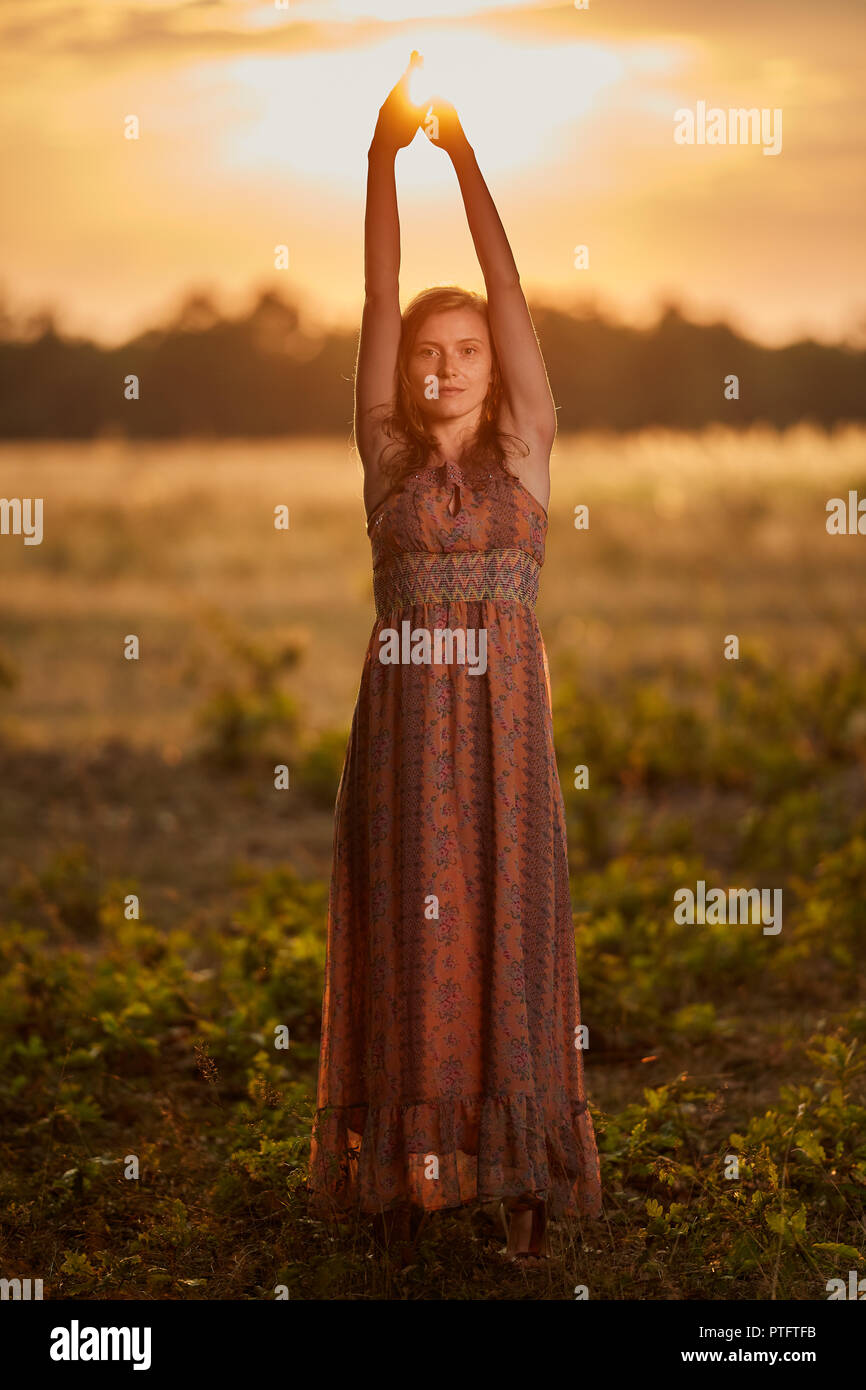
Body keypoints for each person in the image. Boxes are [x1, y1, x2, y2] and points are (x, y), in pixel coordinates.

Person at [308, 53, 602, 1261]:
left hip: (504, 727)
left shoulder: (525, 451)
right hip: (401, 726)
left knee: (506, 929)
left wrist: (462, 157)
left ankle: (523, 1176)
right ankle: (402, 1184)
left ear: (494, 373)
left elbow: (507, 286)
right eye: (431, 351)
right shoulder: (382, 454)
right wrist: (379, 159)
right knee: (408, 934)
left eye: (466, 351)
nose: (442, 363)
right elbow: (376, 298)